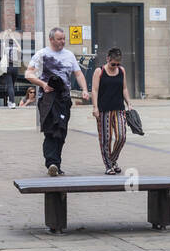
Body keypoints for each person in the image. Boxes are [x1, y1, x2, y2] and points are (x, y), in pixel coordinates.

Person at [25, 27, 89, 176]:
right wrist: (43, 85)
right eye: (59, 39)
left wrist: (84, 89)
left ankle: (56, 164)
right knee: (50, 131)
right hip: (47, 99)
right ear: (51, 39)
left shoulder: (69, 55)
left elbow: (78, 74)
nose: (62, 42)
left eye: (63, 39)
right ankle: (51, 163)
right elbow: (28, 73)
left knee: (61, 132)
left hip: (64, 99)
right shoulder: (42, 55)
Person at [92, 47, 132, 175]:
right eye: (113, 63)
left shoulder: (121, 71)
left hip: (119, 108)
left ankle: (113, 160)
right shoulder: (100, 71)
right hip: (104, 110)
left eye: (118, 64)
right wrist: (95, 107)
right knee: (106, 139)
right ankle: (108, 165)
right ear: (107, 59)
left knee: (122, 137)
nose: (115, 66)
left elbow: (124, 88)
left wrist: (129, 103)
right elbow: (94, 90)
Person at [0, 32, 21, 108]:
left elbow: (0, 52)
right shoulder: (16, 48)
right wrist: (14, 38)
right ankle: (10, 100)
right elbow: (20, 49)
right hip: (15, 68)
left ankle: (12, 102)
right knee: (12, 85)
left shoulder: (5, 47)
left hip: (7, 67)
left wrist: (4, 37)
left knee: (10, 85)